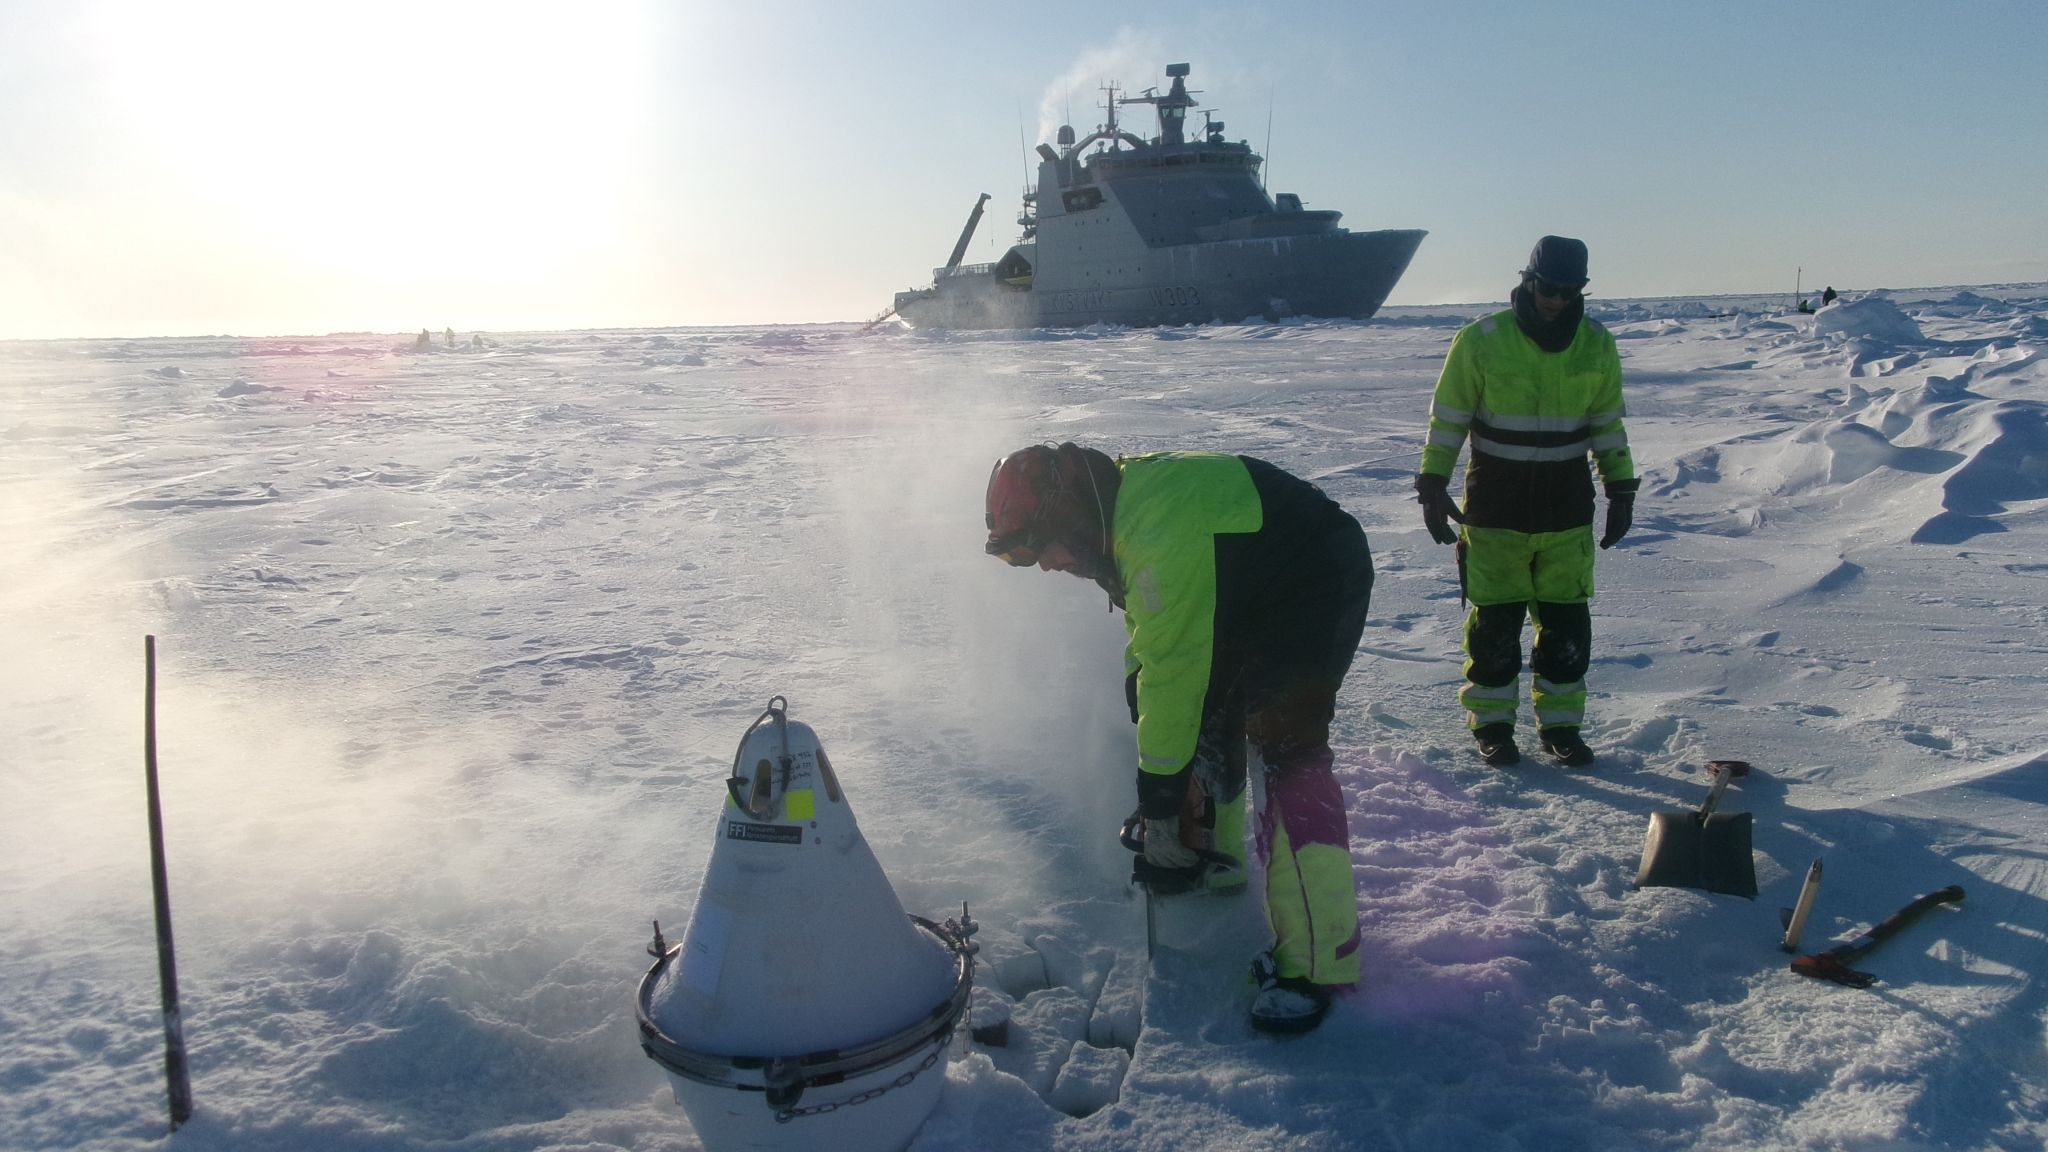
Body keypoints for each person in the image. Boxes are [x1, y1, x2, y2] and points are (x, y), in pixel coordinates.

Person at [984, 443, 1373, 1033]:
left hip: (1312, 581)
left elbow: (1173, 663)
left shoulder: (1150, 533)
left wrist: (1162, 799)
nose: (1042, 566)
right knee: (1206, 716)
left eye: (1036, 549)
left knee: (1286, 754)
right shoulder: (1114, 513)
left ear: (1066, 516)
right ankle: (1215, 859)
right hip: (1247, 590)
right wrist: (1142, 708)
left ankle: (1319, 963)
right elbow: (1151, 647)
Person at [1414, 236, 1637, 768]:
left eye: (1568, 290)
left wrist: (1621, 488)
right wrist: (1432, 482)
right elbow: (1448, 420)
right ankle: (1492, 726)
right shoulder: (1481, 340)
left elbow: (1607, 425)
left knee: (1566, 631)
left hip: (1566, 508)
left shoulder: (1596, 343)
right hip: (1495, 507)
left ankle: (1561, 728)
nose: (1556, 300)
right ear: (1528, 280)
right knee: (1494, 628)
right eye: (1547, 289)